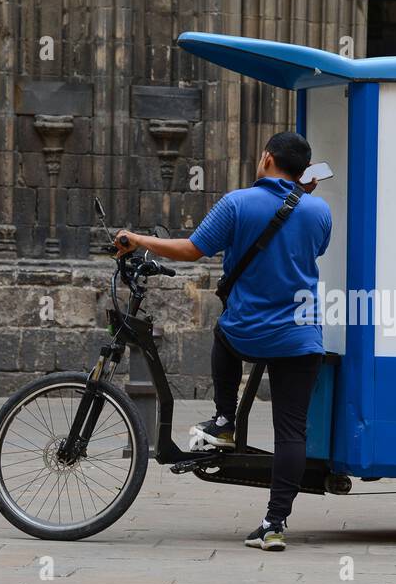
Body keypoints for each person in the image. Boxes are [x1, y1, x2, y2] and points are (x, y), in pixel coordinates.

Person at [115, 131, 331, 552]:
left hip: (248, 331)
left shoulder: (237, 203)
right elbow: (314, 249)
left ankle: (225, 420)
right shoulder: (318, 210)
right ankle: (274, 524)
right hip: (301, 336)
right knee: (291, 431)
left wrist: (137, 240)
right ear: (304, 172)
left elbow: (192, 250)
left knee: (223, 332)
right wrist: (301, 198)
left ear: (267, 158)